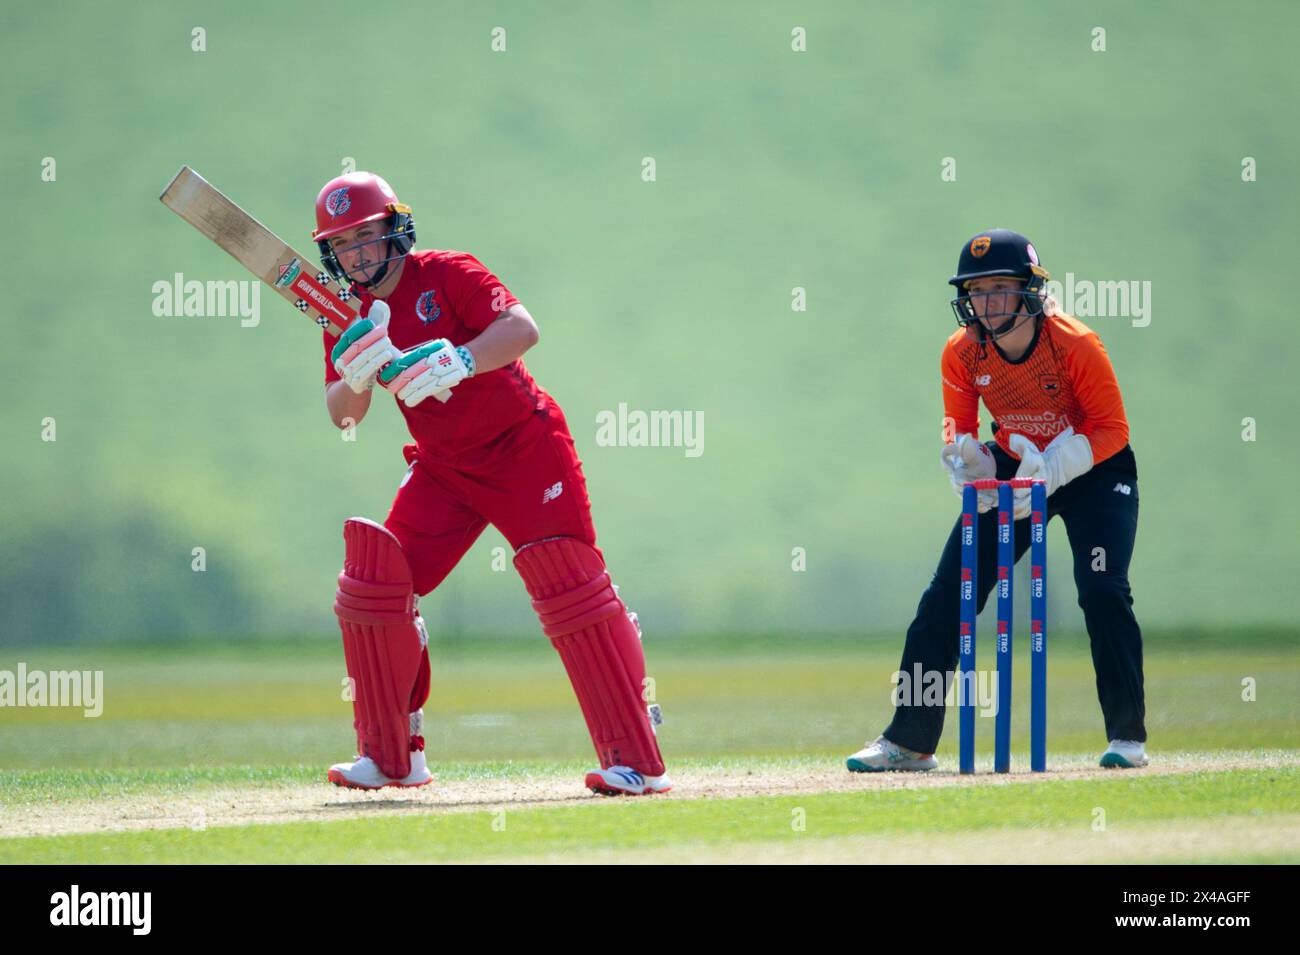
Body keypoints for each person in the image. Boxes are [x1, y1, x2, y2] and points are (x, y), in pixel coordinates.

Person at [314, 171, 668, 796]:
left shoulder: (449, 273)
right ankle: (393, 756)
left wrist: (461, 356)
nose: (358, 254)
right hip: (444, 468)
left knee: (572, 587)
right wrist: (358, 376)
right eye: (343, 244)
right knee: (375, 584)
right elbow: (342, 414)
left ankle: (634, 757)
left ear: (396, 228)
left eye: (367, 236)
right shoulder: (346, 314)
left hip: (524, 449)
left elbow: (524, 328)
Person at [847, 229, 1148, 772]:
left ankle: (1127, 738)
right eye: (977, 290)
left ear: (1031, 290)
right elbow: (958, 429)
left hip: (1094, 467)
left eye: (999, 288)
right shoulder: (962, 351)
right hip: (1015, 463)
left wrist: (1054, 469)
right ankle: (909, 743)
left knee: (1102, 589)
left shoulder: (1074, 343)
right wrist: (971, 462)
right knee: (947, 595)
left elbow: (1112, 428)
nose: (986, 303)